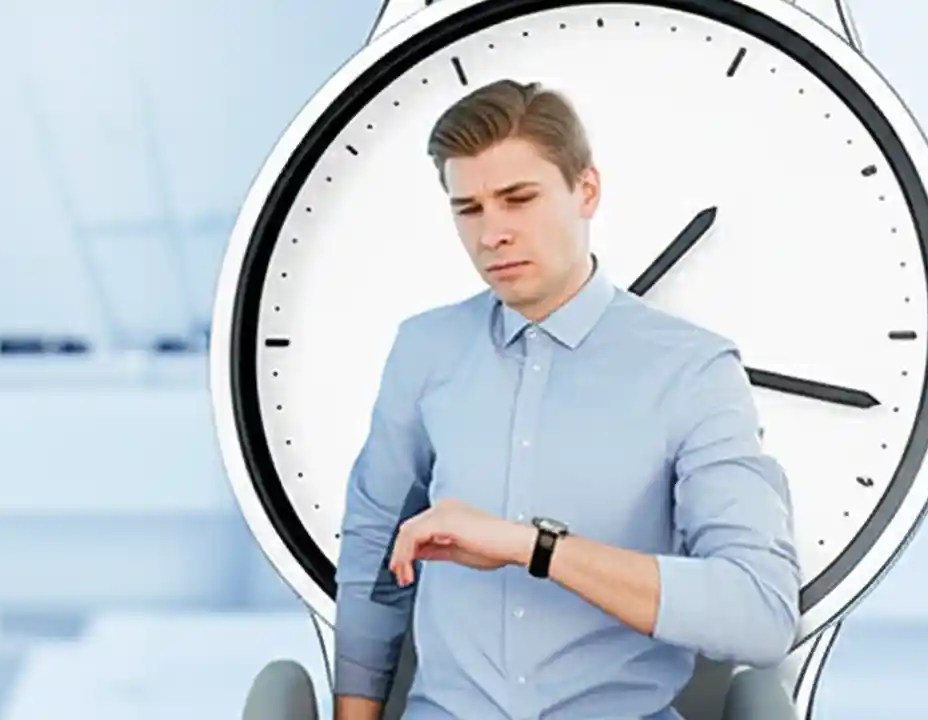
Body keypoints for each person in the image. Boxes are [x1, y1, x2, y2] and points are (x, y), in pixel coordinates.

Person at [332, 79, 801, 720]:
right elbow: (371, 559)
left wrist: (534, 547)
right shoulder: (424, 350)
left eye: (518, 199)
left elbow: (761, 611)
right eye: (469, 209)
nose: (492, 234)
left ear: (587, 190)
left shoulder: (693, 370)